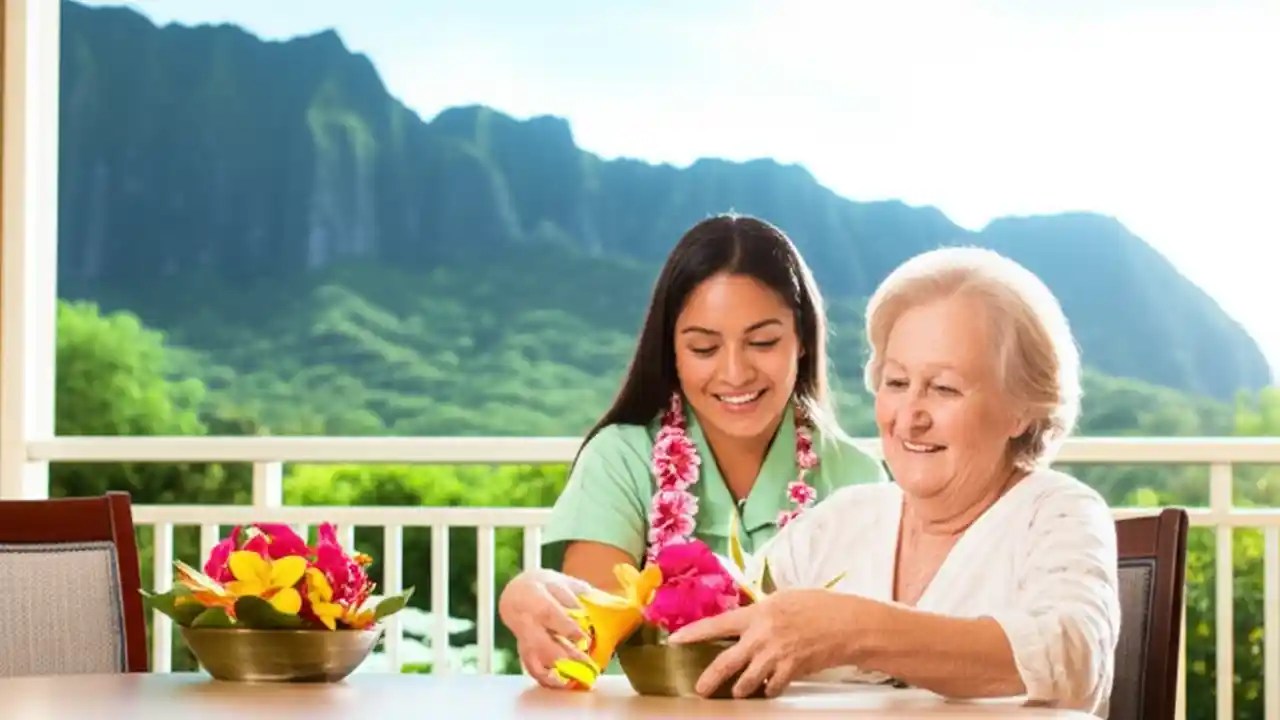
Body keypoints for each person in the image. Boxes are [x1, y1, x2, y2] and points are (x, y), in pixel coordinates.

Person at [668, 246, 1120, 717]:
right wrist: (591, 615)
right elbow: (717, 621)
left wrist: (854, 631)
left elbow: (1074, 653)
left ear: (1022, 409)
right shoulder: (844, 519)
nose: (909, 418)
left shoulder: (1058, 512)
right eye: (897, 383)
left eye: (944, 389)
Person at [498, 214, 887, 686]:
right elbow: (586, 637)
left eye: (763, 342)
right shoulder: (621, 456)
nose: (735, 373)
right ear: (672, 352)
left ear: (801, 339)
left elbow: (880, 654)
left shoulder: (859, 476)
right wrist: (528, 595)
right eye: (704, 348)